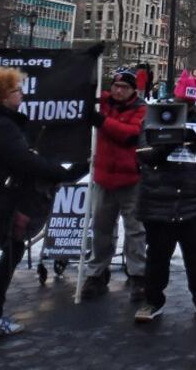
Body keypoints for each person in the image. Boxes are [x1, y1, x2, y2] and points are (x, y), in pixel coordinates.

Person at [0, 67, 88, 354]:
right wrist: (64, 173)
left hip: (2, 200)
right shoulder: (1, 126)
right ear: (2, 96)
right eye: (17, 90)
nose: (22, 95)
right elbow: (25, 161)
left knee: (12, 253)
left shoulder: (2, 122)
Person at [134, 80, 196, 323]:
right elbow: (143, 153)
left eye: (190, 103)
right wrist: (167, 143)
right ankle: (152, 300)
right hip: (159, 198)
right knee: (157, 256)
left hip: (195, 198)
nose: (186, 107)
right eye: (182, 102)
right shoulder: (155, 115)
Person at [83, 68, 149, 301]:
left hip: (131, 178)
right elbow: (84, 90)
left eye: (124, 87)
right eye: (116, 86)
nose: (119, 91)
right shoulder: (103, 102)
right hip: (104, 178)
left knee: (135, 230)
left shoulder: (141, 109)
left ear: (133, 91)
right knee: (101, 229)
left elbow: (130, 134)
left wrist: (102, 122)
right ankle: (97, 273)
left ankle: (138, 274)